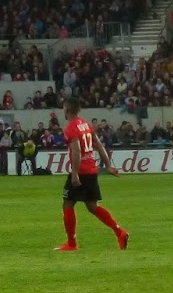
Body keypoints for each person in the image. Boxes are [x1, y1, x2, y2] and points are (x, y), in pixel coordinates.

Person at [56, 98, 128, 252]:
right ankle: (120, 232)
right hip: (92, 170)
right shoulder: (86, 124)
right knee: (92, 206)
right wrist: (108, 165)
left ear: (67, 110)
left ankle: (71, 244)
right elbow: (98, 145)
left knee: (68, 204)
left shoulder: (70, 128)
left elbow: (76, 151)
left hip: (81, 171)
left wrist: (74, 173)